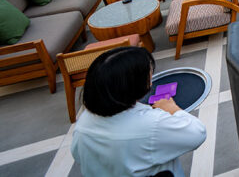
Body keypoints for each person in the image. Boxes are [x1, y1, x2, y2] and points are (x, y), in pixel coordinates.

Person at [71, 46, 207, 177]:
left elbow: (76, 154)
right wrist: (172, 109)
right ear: (132, 86)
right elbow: (197, 133)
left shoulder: (83, 124)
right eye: (148, 75)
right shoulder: (152, 125)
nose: (151, 80)